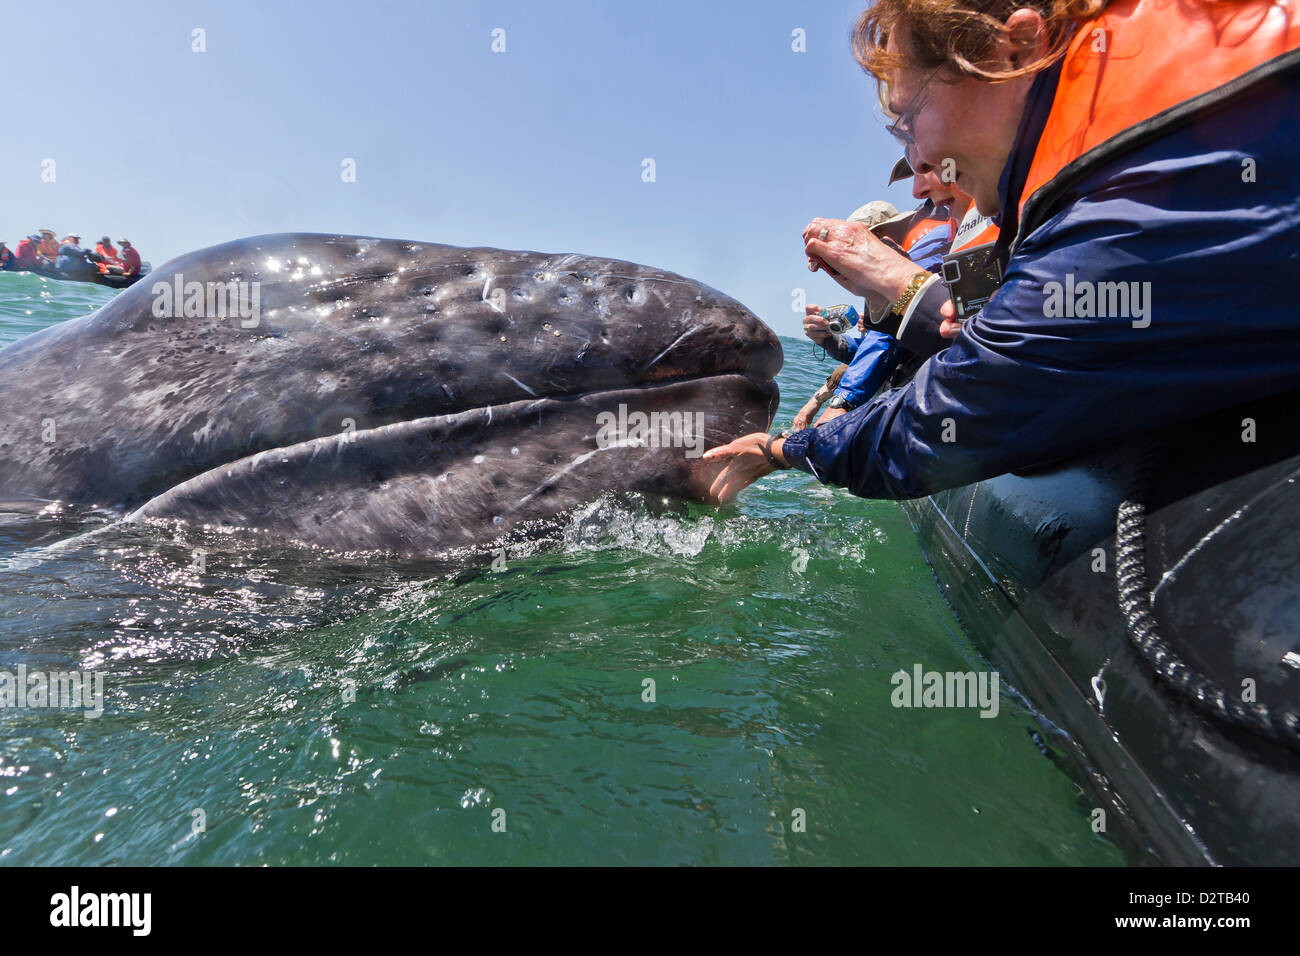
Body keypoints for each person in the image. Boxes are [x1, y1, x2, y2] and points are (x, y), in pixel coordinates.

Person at [706, 0, 1300, 503]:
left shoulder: (1128, 199)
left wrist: (781, 448)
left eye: (911, 119)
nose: (917, 162)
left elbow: (966, 411)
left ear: (1014, 50)